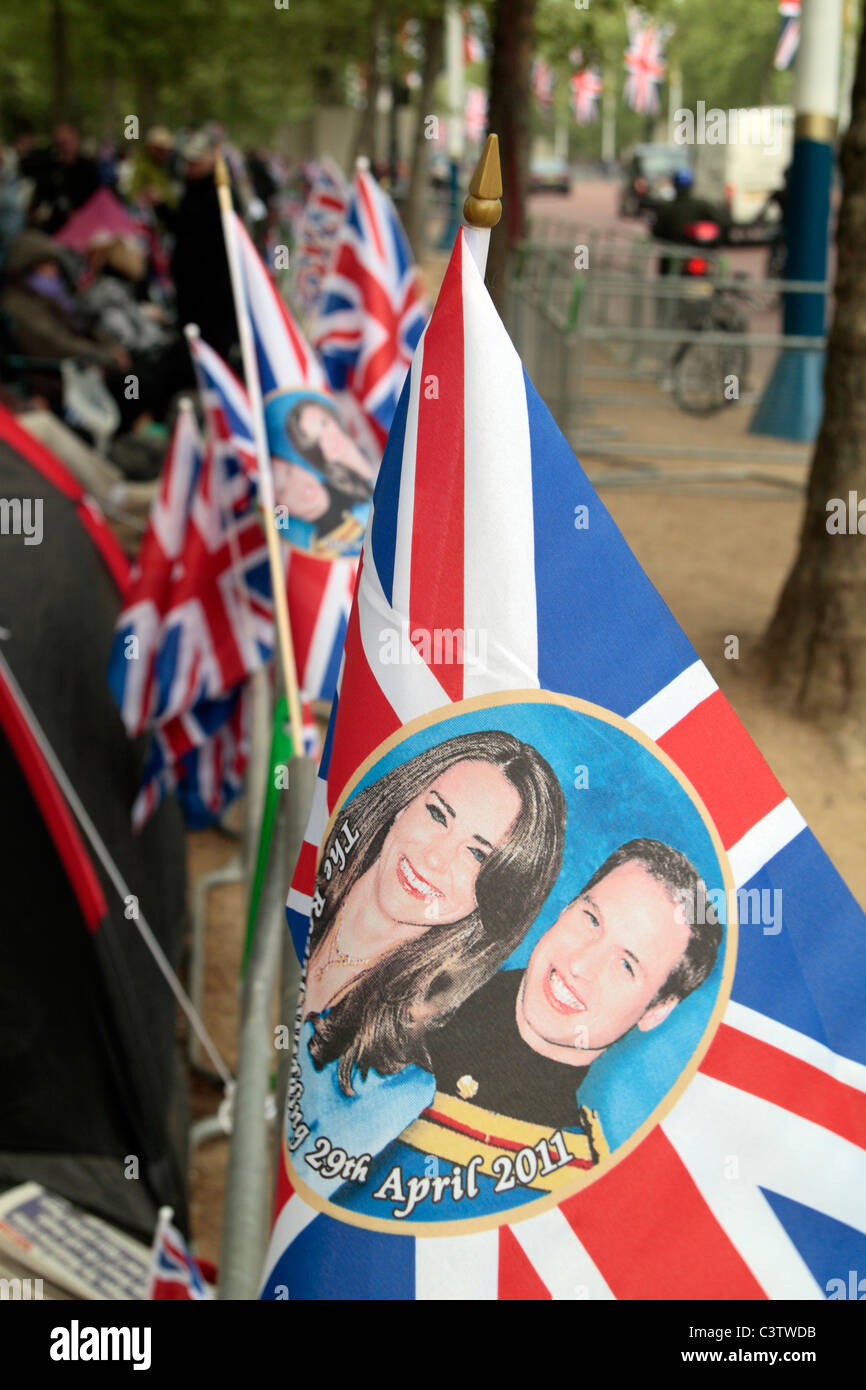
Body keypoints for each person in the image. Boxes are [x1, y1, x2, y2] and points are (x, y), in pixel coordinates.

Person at [426, 838, 722, 1133]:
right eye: (592, 920)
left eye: (625, 965)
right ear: (567, 907)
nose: (580, 964)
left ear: (656, 1010)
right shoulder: (416, 990)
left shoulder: (564, 1163)